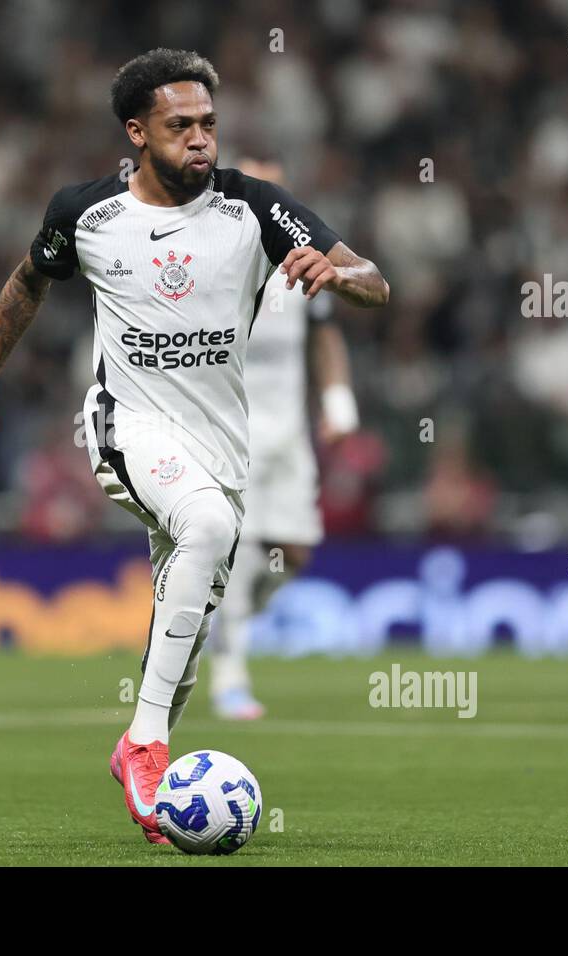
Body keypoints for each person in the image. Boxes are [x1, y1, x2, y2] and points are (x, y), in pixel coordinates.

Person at [0, 48, 388, 843]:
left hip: (222, 445)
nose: (201, 141)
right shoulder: (87, 213)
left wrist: (339, 273)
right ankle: (148, 744)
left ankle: (140, 746)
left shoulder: (256, 207)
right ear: (138, 133)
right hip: (125, 424)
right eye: (181, 126)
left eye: (209, 125)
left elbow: (376, 282)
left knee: (186, 629)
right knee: (212, 530)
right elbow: (25, 285)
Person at [206, 157, 360, 721]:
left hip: (289, 435)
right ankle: (230, 676)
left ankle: (224, 620)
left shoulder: (304, 266)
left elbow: (326, 337)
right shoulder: (216, 265)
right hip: (232, 432)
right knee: (242, 555)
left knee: (291, 553)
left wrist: (339, 404)